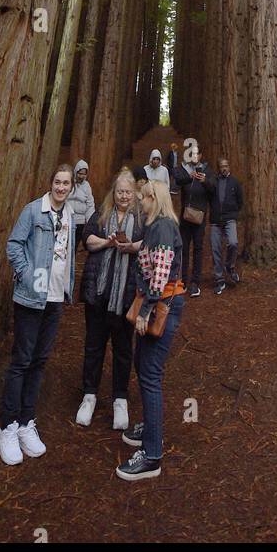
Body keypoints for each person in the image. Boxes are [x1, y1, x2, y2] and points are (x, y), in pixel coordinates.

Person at [0, 164, 75, 465]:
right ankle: (8, 426)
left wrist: (67, 287)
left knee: (40, 361)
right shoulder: (33, 211)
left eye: (66, 184)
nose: (61, 188)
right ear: (50, 183)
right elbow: (14, 246)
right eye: (57, 182)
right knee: (22, 360)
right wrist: (29, 277)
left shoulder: (69, 216)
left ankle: (27, 421)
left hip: (54, 299)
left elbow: (67, 255)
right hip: (31, 298)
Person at [116, 179, 185, 481]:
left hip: (162, 305)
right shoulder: (154, 226)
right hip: (156, 301)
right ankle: (150, 425)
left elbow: (160, 273)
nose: (139, 202)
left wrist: (145, 311)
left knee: (150, 373)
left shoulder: (163, 228)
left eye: (143, 198)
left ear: (153, 199)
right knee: (142, 364)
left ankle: (152, 455)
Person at [76, 169, 143, 432]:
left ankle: (120, 398)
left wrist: (130, 247)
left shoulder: (140, 219)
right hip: (98, 293)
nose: (123, 196)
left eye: (127, 192)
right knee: (94, 345)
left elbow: (147, 244)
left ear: (133, 195)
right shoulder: (102, 215)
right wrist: (107, 242)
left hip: (126, 294)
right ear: (113, 193)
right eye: (119, 192)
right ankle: (89, 394)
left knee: (123, 349)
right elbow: (87, 239)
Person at [173, 144, 210, 298]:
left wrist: (205, 181)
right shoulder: (184, 169)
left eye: (197, 154)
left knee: (198, 249)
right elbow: (177, 178)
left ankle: (195, 282)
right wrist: (191, 176)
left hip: (200, 217)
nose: (195, 156)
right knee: (184, 248)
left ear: (201, 155)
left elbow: (213, 187)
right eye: (192, 154)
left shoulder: (207, 170)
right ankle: (184, 281)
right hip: (185, 216)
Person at [207, 157, 243, 296]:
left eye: (226, 166)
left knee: (233, 243)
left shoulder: (234, 182)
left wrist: (233, 212)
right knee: (215, 249)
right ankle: (219, 278)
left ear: (229, 167)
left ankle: (230, 266)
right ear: (218, 168)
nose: (224, 168)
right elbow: (208, 194)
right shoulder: (214, 182)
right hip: (216, 220)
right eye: (222, 166)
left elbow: (240, 201)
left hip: (230, 219)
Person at [68, 159, 96, 252]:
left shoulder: (87, 186)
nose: (81, 176)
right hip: (68, 219)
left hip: (80, 221)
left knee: (74, 245)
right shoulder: (70, 183)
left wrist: (90, 220)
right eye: (80, 173)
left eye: (84, 174)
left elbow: (90, 203)